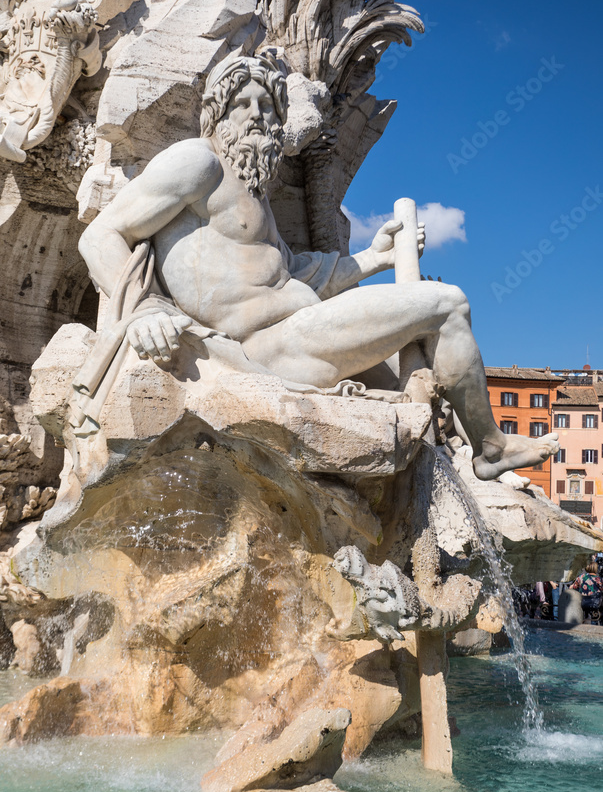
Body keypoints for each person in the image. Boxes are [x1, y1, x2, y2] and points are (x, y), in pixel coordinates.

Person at [78, 53, 559, 481]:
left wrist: (375, 257)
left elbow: (296, 273)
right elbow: (101, 234)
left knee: (418, 390)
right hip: (266, 348)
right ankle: (491, 447)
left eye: (267, 108)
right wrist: (142, 311)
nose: (257, 117)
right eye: (242, 104)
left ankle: (455, 468)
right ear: (216, 114)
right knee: (447, 304)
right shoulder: (196, 164)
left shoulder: (253, 194)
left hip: (299, 332)